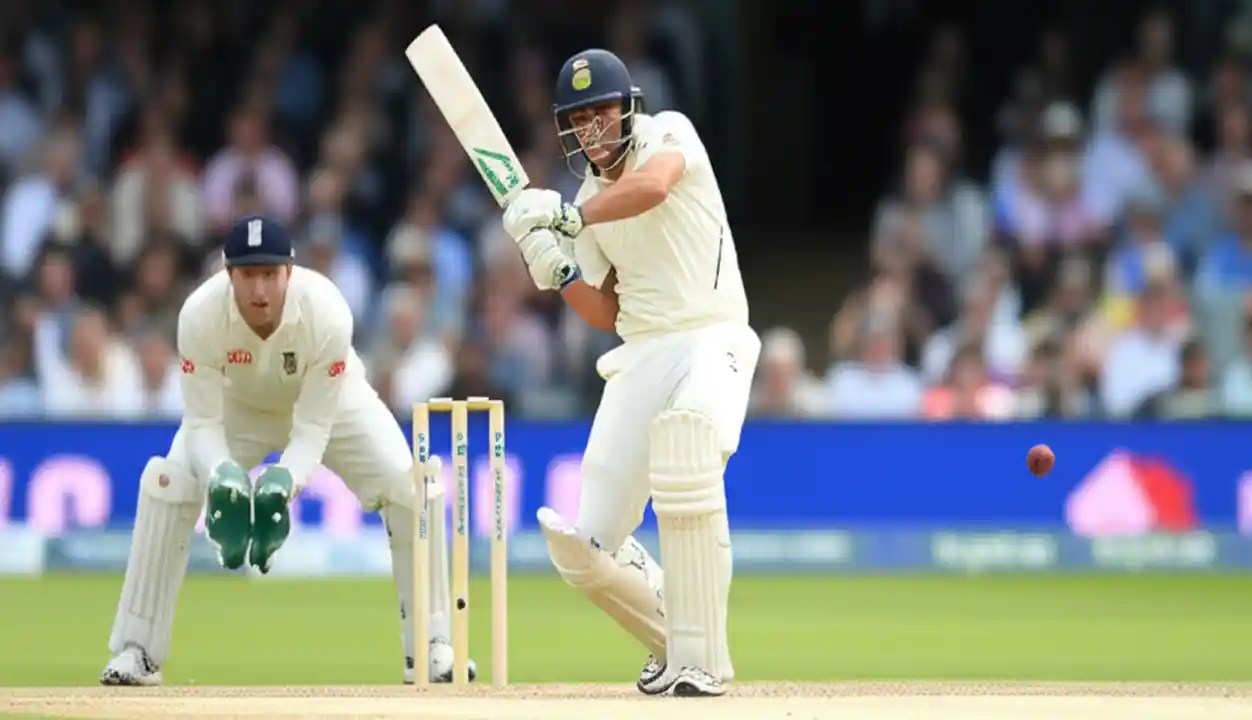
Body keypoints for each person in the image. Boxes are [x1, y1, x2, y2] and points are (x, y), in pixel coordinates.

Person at [99, 216, 473, 686]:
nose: (260, 290)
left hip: (333, 405)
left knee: (411, 486)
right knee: (169, 483)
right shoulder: (198, 314)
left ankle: (432, 646)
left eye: (270, 275)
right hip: (237, 409)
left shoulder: (327, 312)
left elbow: (315, 426)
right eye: (248, 275)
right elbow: (202, 422)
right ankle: (138, 652)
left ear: (289, 274)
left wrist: (284, 481)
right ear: (227, 275)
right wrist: (221, 475)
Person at [500, 49, 760, 696]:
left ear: (627, 109)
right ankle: (671, 641)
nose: (592, 126)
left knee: (689, 449)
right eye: (578, 116)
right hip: (642, 350)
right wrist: (555, 271)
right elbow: (607, 309)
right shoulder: (590, 199)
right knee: (584, 547)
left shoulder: (669, 134)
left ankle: (704, 660)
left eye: (602, 110)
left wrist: (566, 218)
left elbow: (653, 187)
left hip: (710, 334)